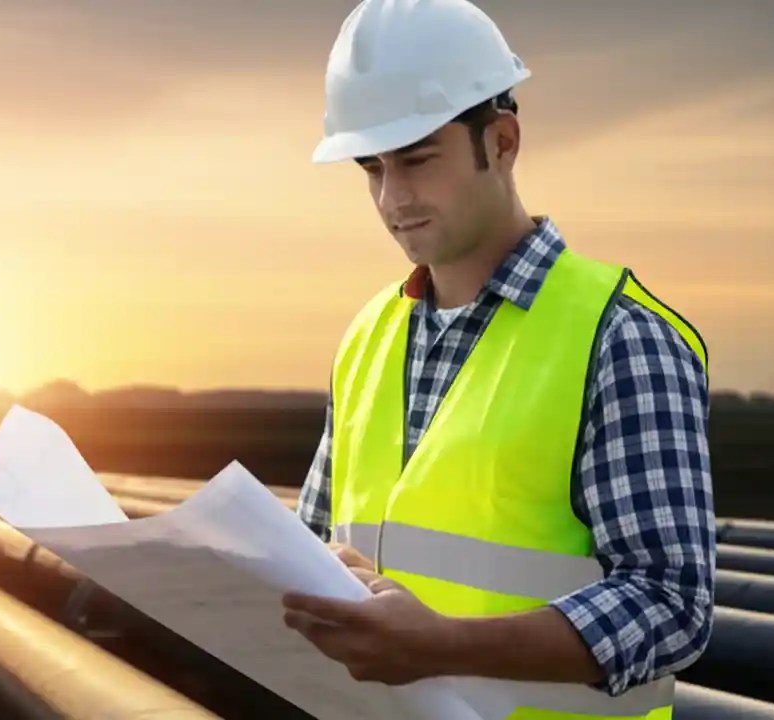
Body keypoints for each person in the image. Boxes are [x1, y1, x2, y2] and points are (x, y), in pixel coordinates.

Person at [282, 1, 714, 718]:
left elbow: (671, 604)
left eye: (418, 159)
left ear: (503, 142)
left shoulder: (621, 338)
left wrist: (443, 645)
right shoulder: (367, 338)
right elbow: (312, 547)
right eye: (372, 168)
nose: (393, 198)